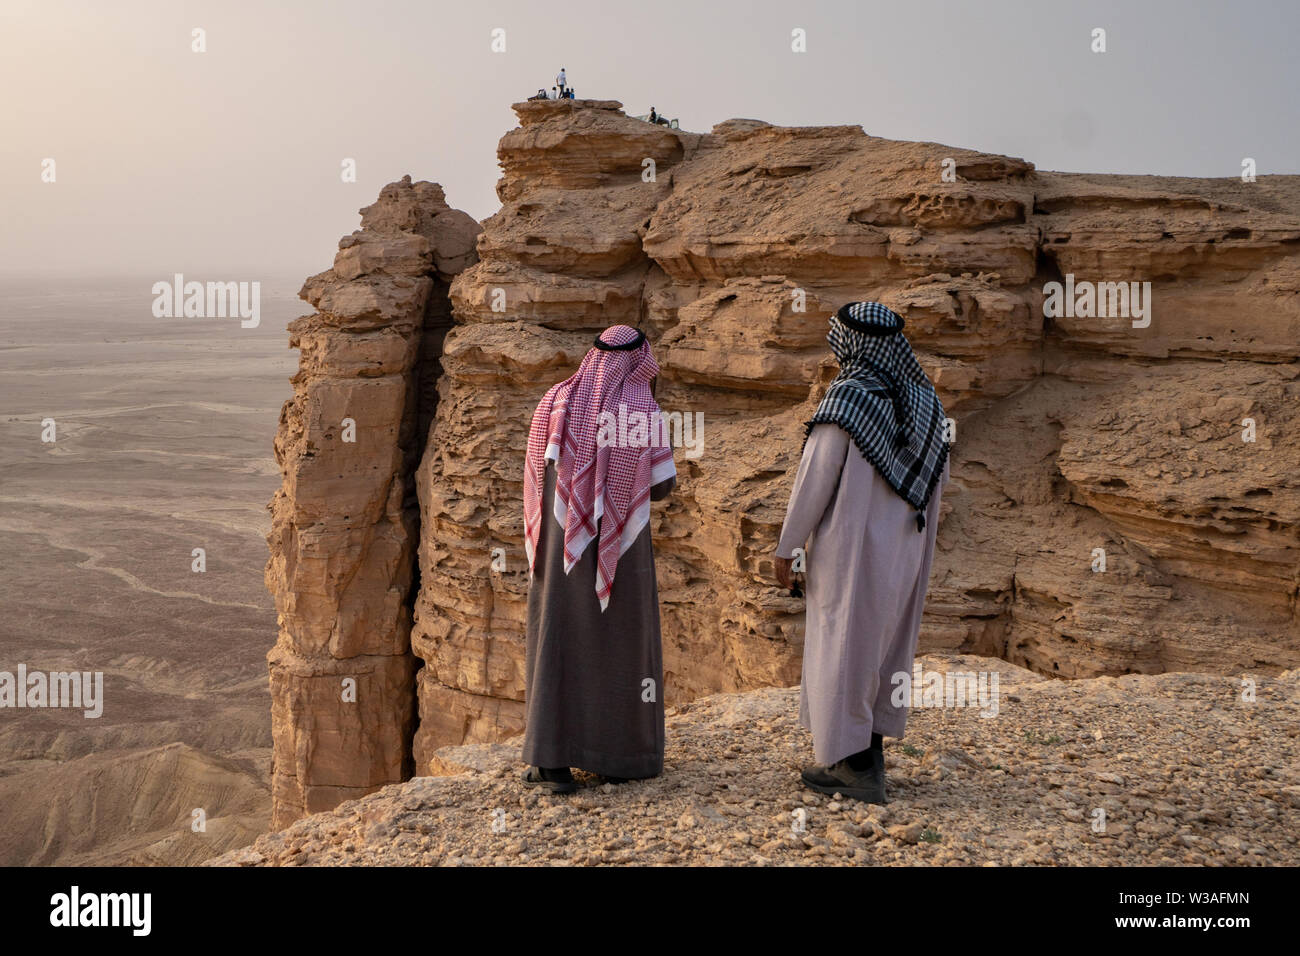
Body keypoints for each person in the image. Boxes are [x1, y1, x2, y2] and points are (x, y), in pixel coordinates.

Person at [774, 301, 949, 804]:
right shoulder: (927, 401)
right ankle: (868, 757)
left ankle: (853, 769)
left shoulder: (848, 399)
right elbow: (937, 485)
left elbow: (815, 478)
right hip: (904, 551)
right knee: (883, 648)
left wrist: (787, 547)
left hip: (850, 551)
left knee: (844, 648)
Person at [521, 325, 677, 794]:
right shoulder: (640, 410)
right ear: (638, 360)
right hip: (621, 555)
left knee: (558, 639)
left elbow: (534, 472)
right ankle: (621, 758)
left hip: (558, 550)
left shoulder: (555, 400)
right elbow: (663, 486)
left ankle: (552, 763)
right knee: (621, 645)